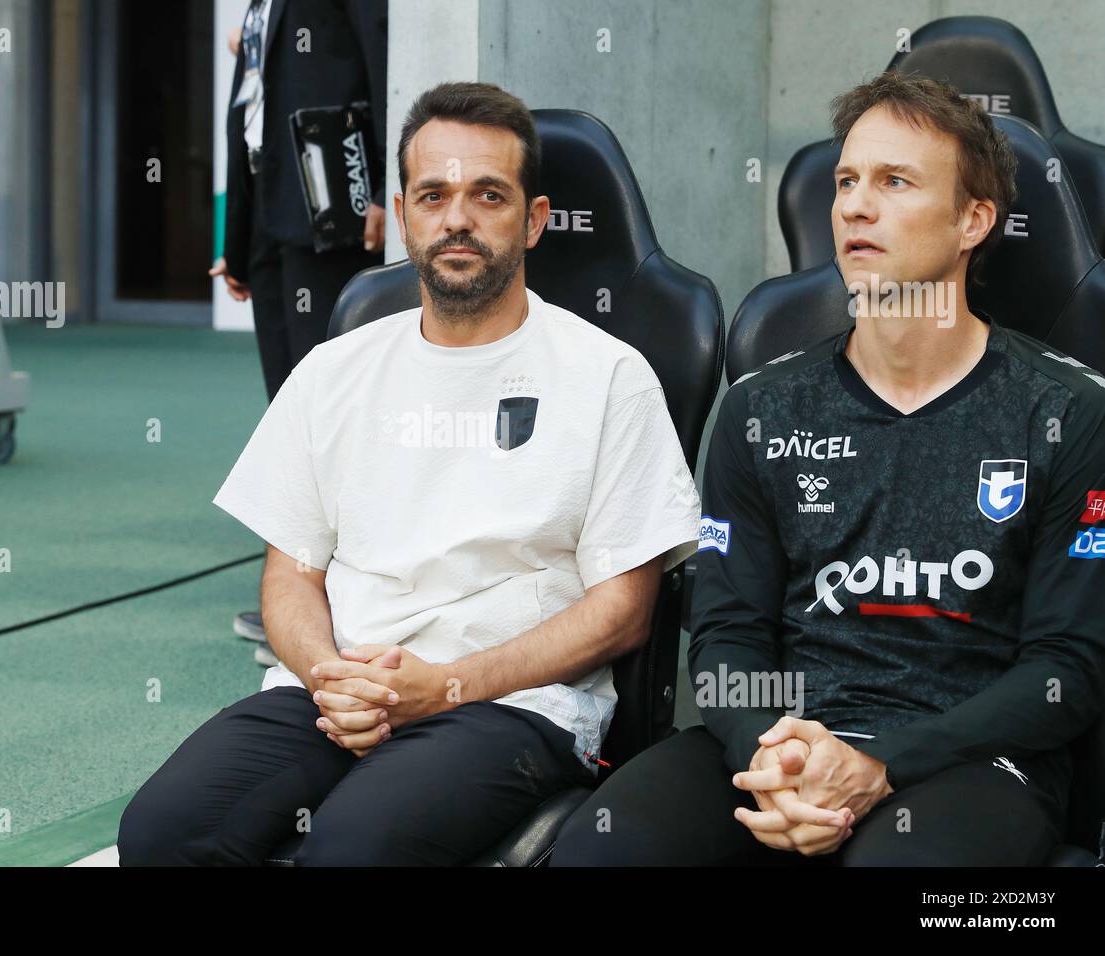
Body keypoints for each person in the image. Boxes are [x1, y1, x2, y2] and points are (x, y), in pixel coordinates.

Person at [117, 81, 701, 866]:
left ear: (532, 220)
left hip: (511, 705)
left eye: (487, 194)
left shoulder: (607, 377)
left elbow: (625, 612)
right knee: (160, 833)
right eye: (434, 194)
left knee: (353, 851)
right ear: (403, 215)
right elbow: (291, 575)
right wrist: (329, 675)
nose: (457, 217)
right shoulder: (336, 370)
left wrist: (448, 685)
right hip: (335, 694)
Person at [552, 72, 1105, 866]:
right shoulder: (760, 409)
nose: (853, 206)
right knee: (604, 852)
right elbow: (725, 639)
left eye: (894, 182)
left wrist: (881, 768)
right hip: (787, 733)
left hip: (972, 757)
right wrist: (769, 754)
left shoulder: (1068, 412)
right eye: (846, 181)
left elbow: (1068, 672)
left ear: (973, 220)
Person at [208, 1, 389, 664]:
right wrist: (238, 234)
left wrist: (380, 187)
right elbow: (250, 104)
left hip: (332, 211)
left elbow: (381, 58)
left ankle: (340, 609)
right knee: (290, 414)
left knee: (333, 415)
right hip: (273, 216)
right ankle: (299, 601)